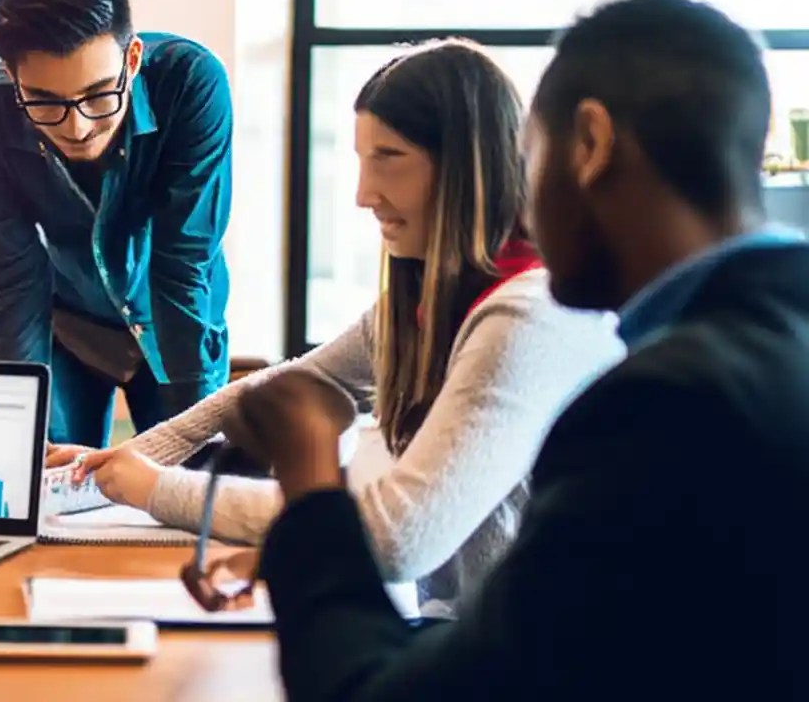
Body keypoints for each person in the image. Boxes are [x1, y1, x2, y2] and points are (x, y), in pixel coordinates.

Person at [247, 0, 809, 700]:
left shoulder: (664, 408)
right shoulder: (774, 347)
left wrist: (310, 483)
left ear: (591, 144)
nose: (519, 195)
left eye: (527, 156)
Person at [54, 40, 624, 613]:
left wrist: (157, 489)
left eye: (389, 158)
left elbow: (397, 537)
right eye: (360, 161)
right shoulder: (428, 302)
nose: (362, 194)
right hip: (461, 630)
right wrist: (119, 465)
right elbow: (278, 386)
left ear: (465, 166)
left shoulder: (528, 317)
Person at [0, 0, 233, 450]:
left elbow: (184, 262)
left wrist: (197, 442)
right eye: (44, 101)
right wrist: (18, 430)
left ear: (133, 59)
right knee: (42, 477)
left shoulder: (190, 81)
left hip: (172, 318)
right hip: (67, 325)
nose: (77, 127)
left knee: (185, 480)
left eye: (99, 95)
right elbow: (13, 279)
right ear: (10, 74)